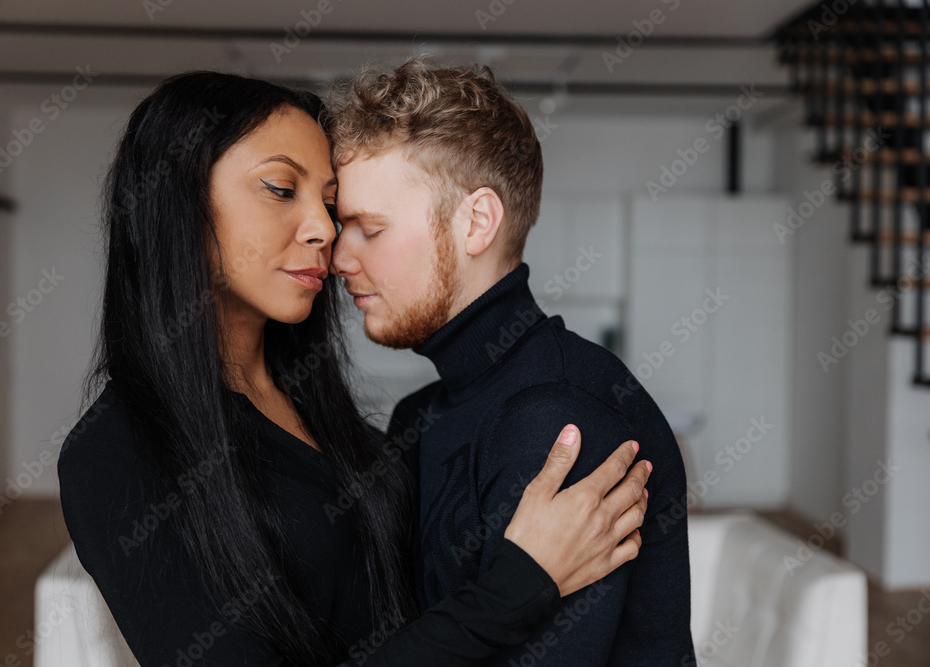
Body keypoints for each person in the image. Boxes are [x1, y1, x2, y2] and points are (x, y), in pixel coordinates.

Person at [57, 70, 653, 667]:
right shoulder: (114, 451)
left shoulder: (340, 410)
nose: (326, 234)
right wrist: (515, 589)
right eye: (281, 188)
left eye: (332, 205)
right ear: (175, 198)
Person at [328, 58, 695, 665]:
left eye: (369, 228)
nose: (340, 258)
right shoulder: (420, 416)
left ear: (476, 222)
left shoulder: (557, 425)